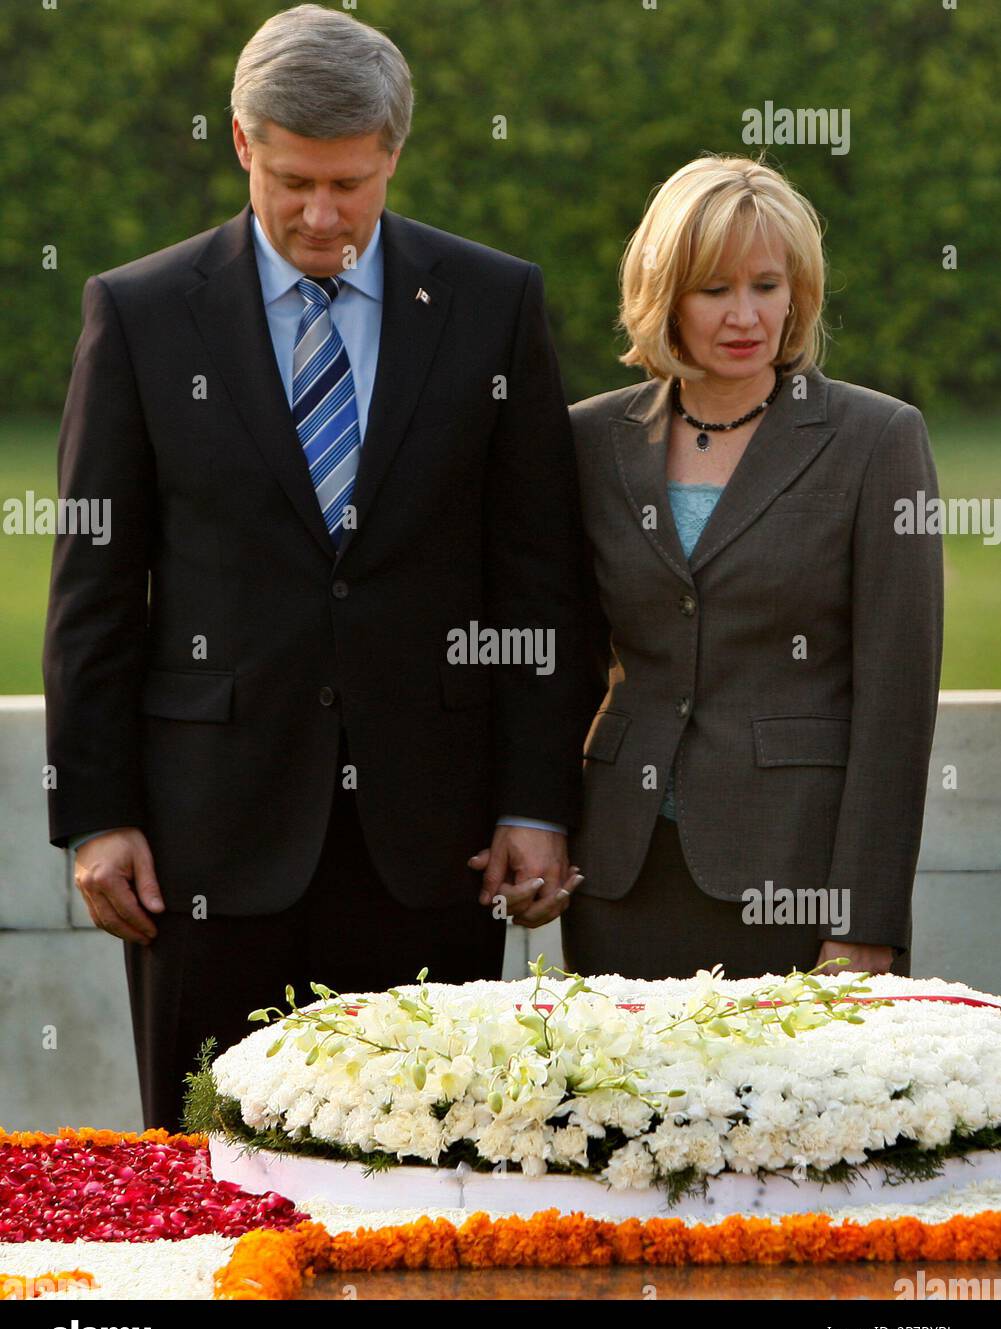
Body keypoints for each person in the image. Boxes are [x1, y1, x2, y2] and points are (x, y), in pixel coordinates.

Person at [42, 5, 600, 1130]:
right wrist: (94, 813)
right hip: (202, 846)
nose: (320, 213)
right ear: (242, 142)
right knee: (208, 1173)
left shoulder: (494, 306)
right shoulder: (139, 313)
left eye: (350, 182)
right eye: (292, 178)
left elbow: (541, 580)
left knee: (425, 1179)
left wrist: (537, 798)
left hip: (432, 842)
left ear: (394, 150)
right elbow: (95, 590)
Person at [562, 154, 943, 981]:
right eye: (713, 290)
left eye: (766, 285)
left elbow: (896, 700)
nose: (745, 316)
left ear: (796, 291)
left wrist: (863, 919)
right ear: (665, 296)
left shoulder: (875, 439)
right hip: (619, 877)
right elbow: (557, 668)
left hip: (795, 883)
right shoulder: (589, 441)